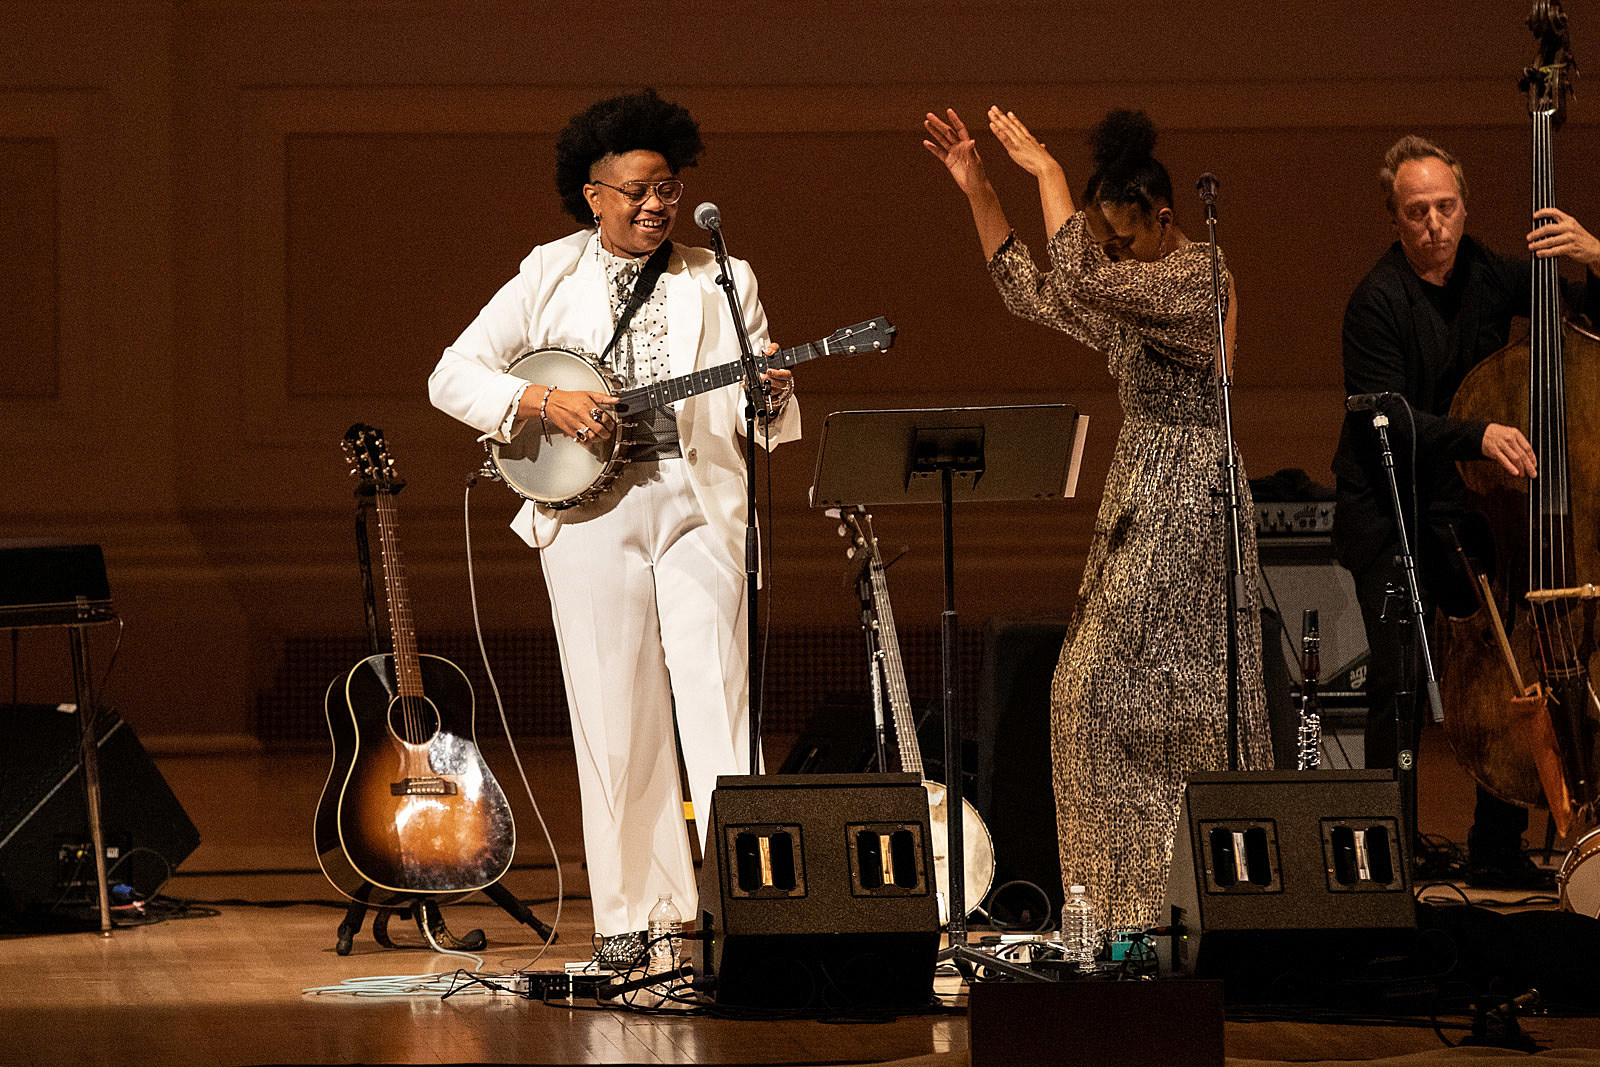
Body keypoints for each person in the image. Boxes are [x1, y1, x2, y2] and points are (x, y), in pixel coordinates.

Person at [428, 89, 800, 966]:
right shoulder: (548, 272)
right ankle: (641, 921)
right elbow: (451, 375)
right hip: (590, 513)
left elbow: (762, 410)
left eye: (667, 188)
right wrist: (541, 398)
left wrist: (773, 395)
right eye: (634, 190)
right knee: (614, 716)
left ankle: (749, 912)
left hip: (697, 503)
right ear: (592, 194)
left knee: (720, 706)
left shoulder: (721, 275)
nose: (654, 205)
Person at [923, 105, 1272, 935]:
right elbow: (1034, 293)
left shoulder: (1200, 275)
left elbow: (1080, 275)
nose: (1111, 253)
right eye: (1102, 241)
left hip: (1191, 493)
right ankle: (1126, 909)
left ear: (1162, 217)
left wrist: (1044, 174)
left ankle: (1198, 900)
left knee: (1114, 700)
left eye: (1121, 239)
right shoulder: (1131, 291)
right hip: (1141, 489)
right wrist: (979, 189)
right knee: (1100, 706)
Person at [1333, 135, 1599, 888]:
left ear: (1464, 206)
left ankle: (1496, 840)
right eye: (1416, 212)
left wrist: (1590, 253)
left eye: (1445, 207)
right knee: (1399, 681)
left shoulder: (1488, 271)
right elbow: (1382, 417)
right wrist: (1479, 432)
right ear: (1395, 218)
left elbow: (1587, 315)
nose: (1434, 224)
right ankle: (1383, 852)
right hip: (1390, 508)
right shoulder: (1376, 301)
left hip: (1467, 509)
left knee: (1505, 659)